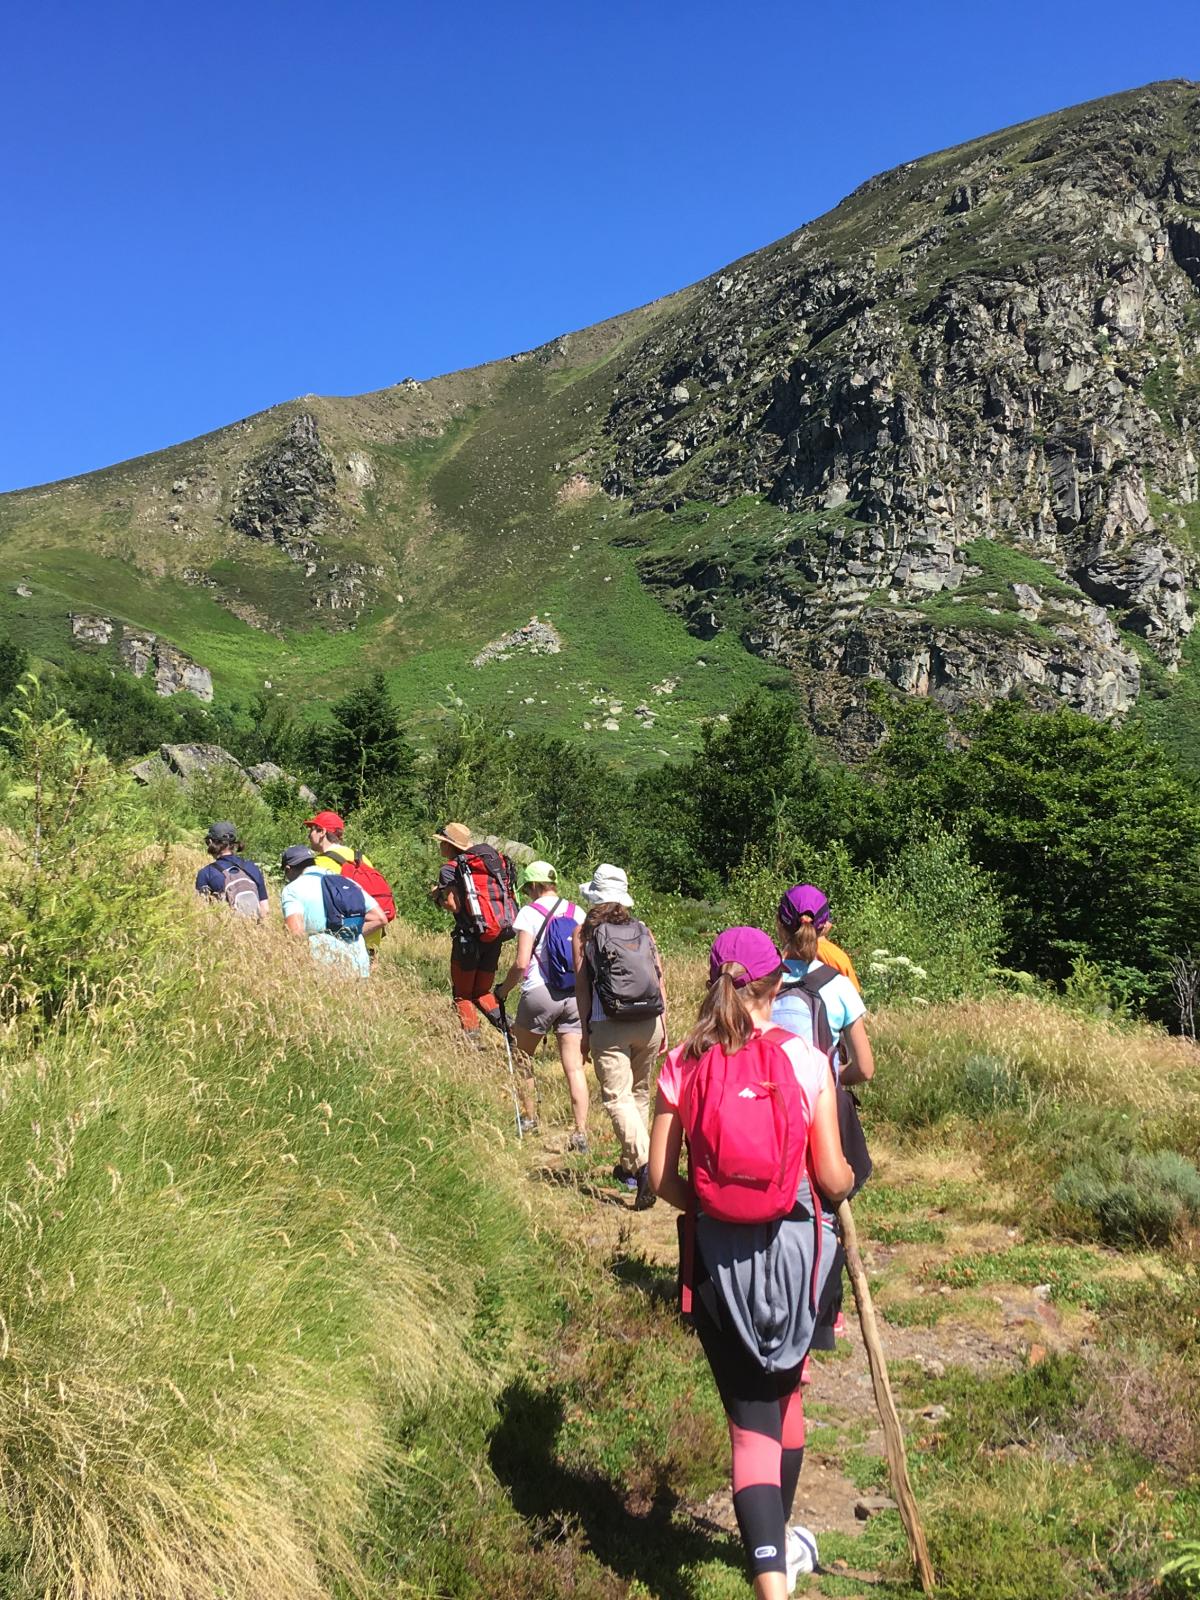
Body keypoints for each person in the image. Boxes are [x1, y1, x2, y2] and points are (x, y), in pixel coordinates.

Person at [648, 928, 854, 1599]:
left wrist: (711, 1207)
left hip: (719, 1263)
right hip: (803, 1252)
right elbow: (830, 1175)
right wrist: (845, 1178)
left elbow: (658, 1181)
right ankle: (776, 1564)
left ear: (713, 982)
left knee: (750, 1425)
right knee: (787, 1390)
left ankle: (773, 1553)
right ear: (776, 985)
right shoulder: (806, 1060)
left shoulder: (681, 1062)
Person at [574, 864, 665, 1210]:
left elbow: (582, 988)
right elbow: (659, 978)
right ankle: (630, 1168)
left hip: (608, 1023)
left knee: (617, 1099)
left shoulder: (583, 935)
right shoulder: (643, 929)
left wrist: (584, 1030)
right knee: (639, 1095)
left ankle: (645, 1168)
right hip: (649, 1022)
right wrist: (664, 1022)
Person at [495, 862, 589, 1147]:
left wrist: (503, 990)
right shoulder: (577, 912)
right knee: (574, 1067)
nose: (525, 894)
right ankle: (581, 1132)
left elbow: (522, 963)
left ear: (534, 886)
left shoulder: (529, 912)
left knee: (524, 1058)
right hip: (574, 994)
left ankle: (529, 1118)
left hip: (540, 992)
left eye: (526, 888)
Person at [774, 888, 874, 1086]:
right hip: (821, 1110)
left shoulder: (758, 981)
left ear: (779, 924)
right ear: (825, 926)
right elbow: (865, 1069)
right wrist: (828, 1078)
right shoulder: (839, 985)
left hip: (766, 1106)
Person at [431, 822, 504, 1040]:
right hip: (492, 936)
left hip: (468, 939)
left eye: (442, 843)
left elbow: (454, 905)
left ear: (449, 846)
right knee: (482, 993)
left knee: (463, 995)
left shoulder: (449, 869)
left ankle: (472, 1042)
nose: (440, 847)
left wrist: (437, 895)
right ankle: (513, 1032)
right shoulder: (484, 866)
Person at [280, 844, 386, 977]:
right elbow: (380, 918)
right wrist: (346, 935)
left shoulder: (292, 889)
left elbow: (295, 933)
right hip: (359, 966)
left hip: (323, 969)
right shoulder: (346, 881)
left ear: (288, 869)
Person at [305, 809, 388, 959]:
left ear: (322, 832)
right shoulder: (360, 858)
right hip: (372, 933)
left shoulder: (321, 864)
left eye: (312, 830)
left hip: (351, 938)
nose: (309, 835)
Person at [777, 885, 861, 993]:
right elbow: (854, 998)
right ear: (825, 925)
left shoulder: (764, 974)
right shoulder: (837, 958)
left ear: (779, 923)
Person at [194, 821, 268, 918]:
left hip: (225, 930)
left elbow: (203, 913)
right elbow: (265, 910)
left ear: (210, 842)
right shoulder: (251, 867)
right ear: (234, 844)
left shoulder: (206, 873)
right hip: (255, 929)